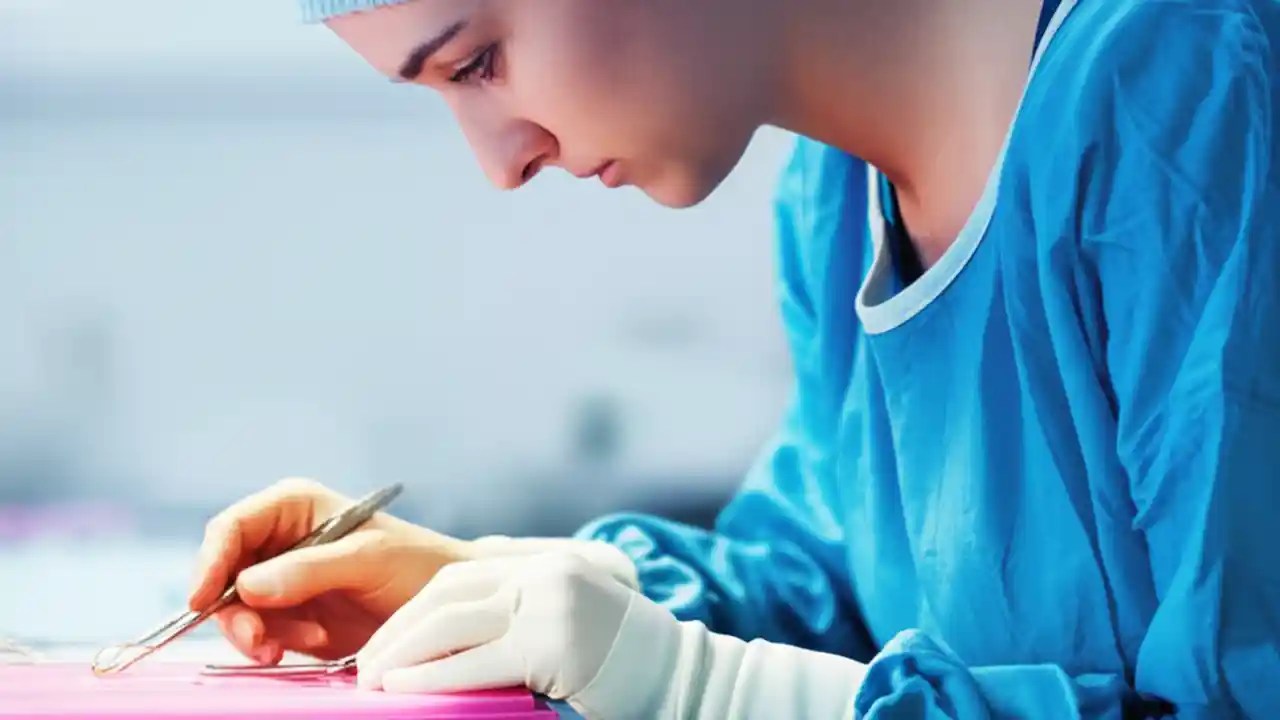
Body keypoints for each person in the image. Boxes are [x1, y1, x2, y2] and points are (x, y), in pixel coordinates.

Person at [187, 0, 1280, 716]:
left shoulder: (1180, 90)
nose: (499, 163)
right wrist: (516, 592)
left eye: (479, 61)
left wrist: (705, 690)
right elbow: (829, 584)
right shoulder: (832, 198)